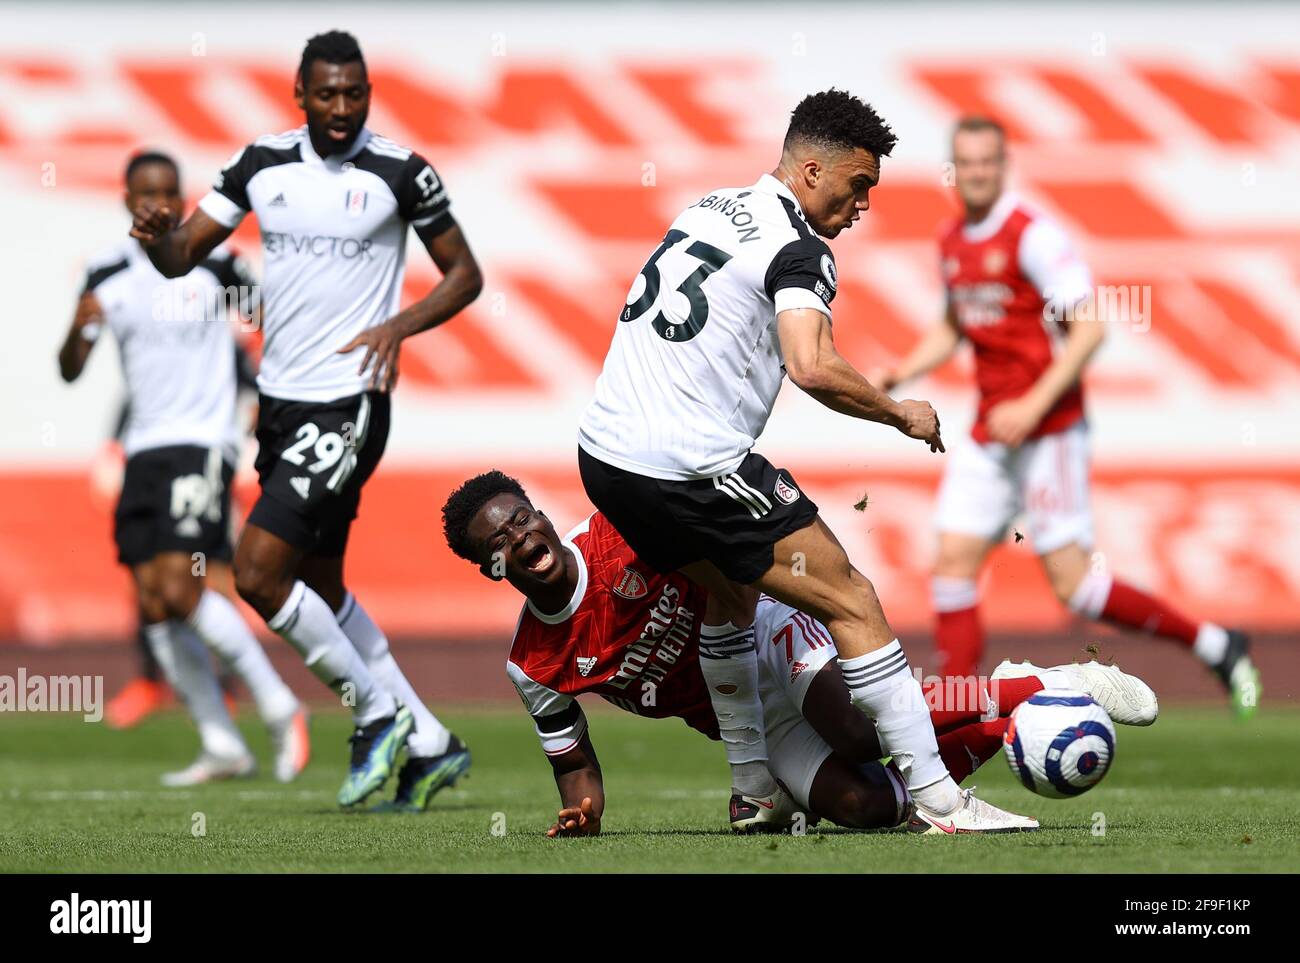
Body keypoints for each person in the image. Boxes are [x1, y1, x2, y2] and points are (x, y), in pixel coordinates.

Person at [577, 88, 1015, 832]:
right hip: (687, 460)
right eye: (858, 186)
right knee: (852, 596)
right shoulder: (800, 247)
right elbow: (810, 366)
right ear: (812, 170)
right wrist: (900, 411)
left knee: (731, 593)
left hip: (604, 458)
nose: (861, 206)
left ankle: (753, 788)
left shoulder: (709, 207)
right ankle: (942, 801)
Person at [127, 31, 481, 808]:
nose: (342, 109)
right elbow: (186, 251)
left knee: (256, 570)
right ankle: (431, 742)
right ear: (300, 93)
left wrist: (400, 324)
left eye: (355, 94)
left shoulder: (401, 171)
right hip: (283, 405)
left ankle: (376, 713)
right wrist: (159, 243)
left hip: (350, 400)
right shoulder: (261, 163)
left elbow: (465, 274)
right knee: (320, 581)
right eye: (327, 94)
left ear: (368, 94)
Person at [440, 470, 1158, 835]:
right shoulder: (532, 663)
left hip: (765, 631)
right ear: (489, 570)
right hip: (746, 716)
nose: (520, 539)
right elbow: (576, 770)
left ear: (537, 510)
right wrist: (585, 813)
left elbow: (733, 579)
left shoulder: (620, 531)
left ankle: (1048, 680)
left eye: (520, 519)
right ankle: (1006, 720)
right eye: (497, 544)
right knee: (869, 806)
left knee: (857, 725)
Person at [873, 116, 1260, 719]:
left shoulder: (1033, 236)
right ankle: (952, 719)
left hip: (1048, 429)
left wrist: (1032, 404)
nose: (975, 173)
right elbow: (954, 323)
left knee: (1077, 586)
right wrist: (901, 372)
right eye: (965, 163)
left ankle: (1215, 642)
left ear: (1000, 168)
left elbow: (1089, 328)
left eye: (985, 162)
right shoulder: (952, 240)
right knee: (951, 563)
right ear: (953, 170)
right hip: (989, 429)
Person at [59, 150, 309, 785]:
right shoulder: (104, 270)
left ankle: (280, 705)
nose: (161, 202)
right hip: (142, 447)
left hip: (202, 442)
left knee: (182, 588)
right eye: (148, 192)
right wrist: (78, 327)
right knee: (152, 600)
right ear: (126, 200)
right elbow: (70, 366)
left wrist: (262, 404)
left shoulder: (219, 261)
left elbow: (269, 329)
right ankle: (222, 740)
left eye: (170, 190)